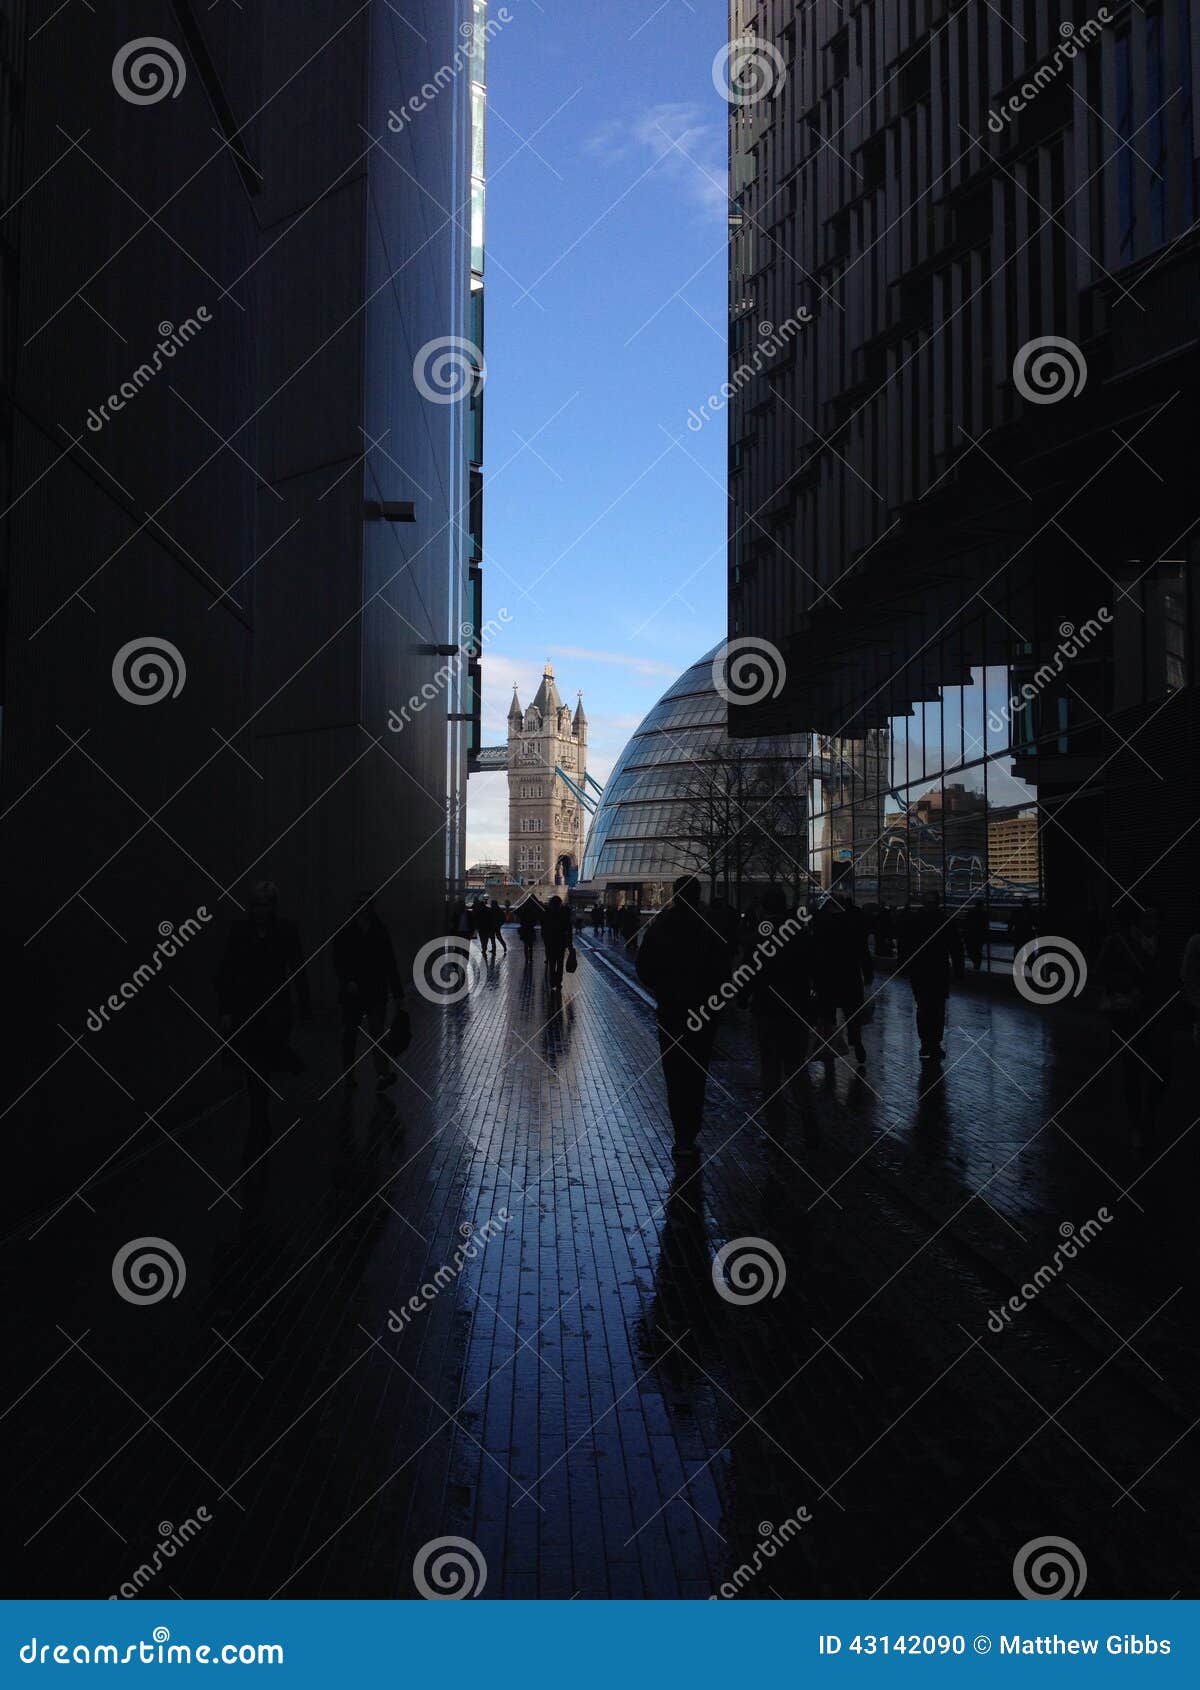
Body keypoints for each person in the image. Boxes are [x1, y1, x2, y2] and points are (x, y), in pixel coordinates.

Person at [636, 876, 731, 1153]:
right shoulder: (711, 926)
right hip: (704, 1010)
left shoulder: (661, 926)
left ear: (675, 895)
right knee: (697, 1070)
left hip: (671, 1011)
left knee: (674, 1071)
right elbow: (724, 969)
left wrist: (662, 990)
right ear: (698, 894)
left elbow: (644, 967)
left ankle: (682, 1134)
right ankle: (692, 1126)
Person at [215, 881, 311, 1143]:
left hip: (275, 1008)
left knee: (264, 1060)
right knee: (254, 1062)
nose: (260, 910)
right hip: (246, 1007)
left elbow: (298, 969)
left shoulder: (287, 931)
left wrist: (305, 1008)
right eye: (256, 905)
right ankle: (259, 1112)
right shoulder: (240, 931)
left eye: (265, 905)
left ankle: (260, 1112)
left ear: (273, 907)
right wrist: (226, 1009)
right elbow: (228, 971)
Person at [1098, 906, 1177, 1151]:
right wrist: (1126, 987)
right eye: (1148, 916)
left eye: (1155, 916)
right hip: (1129, 1019)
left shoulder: (1164, 944)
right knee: (1132, 1074)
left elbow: (1171, 976)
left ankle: (1147, 1117)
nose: (1153, 921)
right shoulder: (1118, 943)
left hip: (1157, 1018)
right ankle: (1137, 1125)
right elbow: (1101, 971)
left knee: (1162, 1072)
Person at [749, 887, 815, 1126]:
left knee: (770, 1070)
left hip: (767, 1009)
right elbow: (814, 968)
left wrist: (744, 997)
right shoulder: (800, 933)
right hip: (796, 1007)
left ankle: (776, 1127)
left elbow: (749, 971)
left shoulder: (760, 935)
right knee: (796, 1065)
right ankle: (809, 1120)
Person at [333, 893, 403, 1090]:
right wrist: (347, 981)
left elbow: (390, 963)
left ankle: (379, 1073)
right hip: (360, 991)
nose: (362, 909)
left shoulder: (370, 931)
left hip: (371, 991)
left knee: (371, 1033)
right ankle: (359, 1075)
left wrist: (397, 993)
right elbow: (338, 962)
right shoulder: (356, 931)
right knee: (353, 1035)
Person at [898, 888, 964, 1062]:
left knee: (923, 1007)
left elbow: (905, 946)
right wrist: (959, 971)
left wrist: (903, 966)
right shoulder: (946, 921)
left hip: (920, 972)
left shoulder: (913, 922)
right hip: (939, 971)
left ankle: (926, 1042)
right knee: (937, 1009)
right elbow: (956, 948)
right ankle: (935, 1042)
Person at [810, 890, 873, 1066]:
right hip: (849, 975)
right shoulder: (852, 923)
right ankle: (856, 1041)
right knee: (852, 1012)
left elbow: (815, 952)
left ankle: (829, 1049)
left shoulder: (821, 923)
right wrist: (867, 972)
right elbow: (862, 950)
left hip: (826, 977)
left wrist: (813, 977)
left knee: (827, 1015)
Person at [538, 894, 574, 990]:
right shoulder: (564, 915)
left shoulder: (546, 914)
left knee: (552, 963)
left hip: (550, 942)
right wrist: (570, 946)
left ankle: (553, 980)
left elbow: (543, 927)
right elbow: (568, 930)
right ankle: (558, 981)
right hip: (561, 943)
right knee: (560, 963)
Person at [962, 901, 988, 972]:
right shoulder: (983, 914)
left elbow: (966, 923)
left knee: (970, 950)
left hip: (971, 934)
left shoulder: (970, 913)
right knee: (977, 950)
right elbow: (985, 925)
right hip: (978, 935)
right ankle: (977, 965)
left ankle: (976, 963)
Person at [516, 899, 539, 964]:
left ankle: (526, 959)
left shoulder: (522, 914)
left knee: (525, 946)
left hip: (525, 931)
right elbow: (535, 923)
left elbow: (520, 922)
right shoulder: (532, 915)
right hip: (530, 931)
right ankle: (530, 958)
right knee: (531, 946)